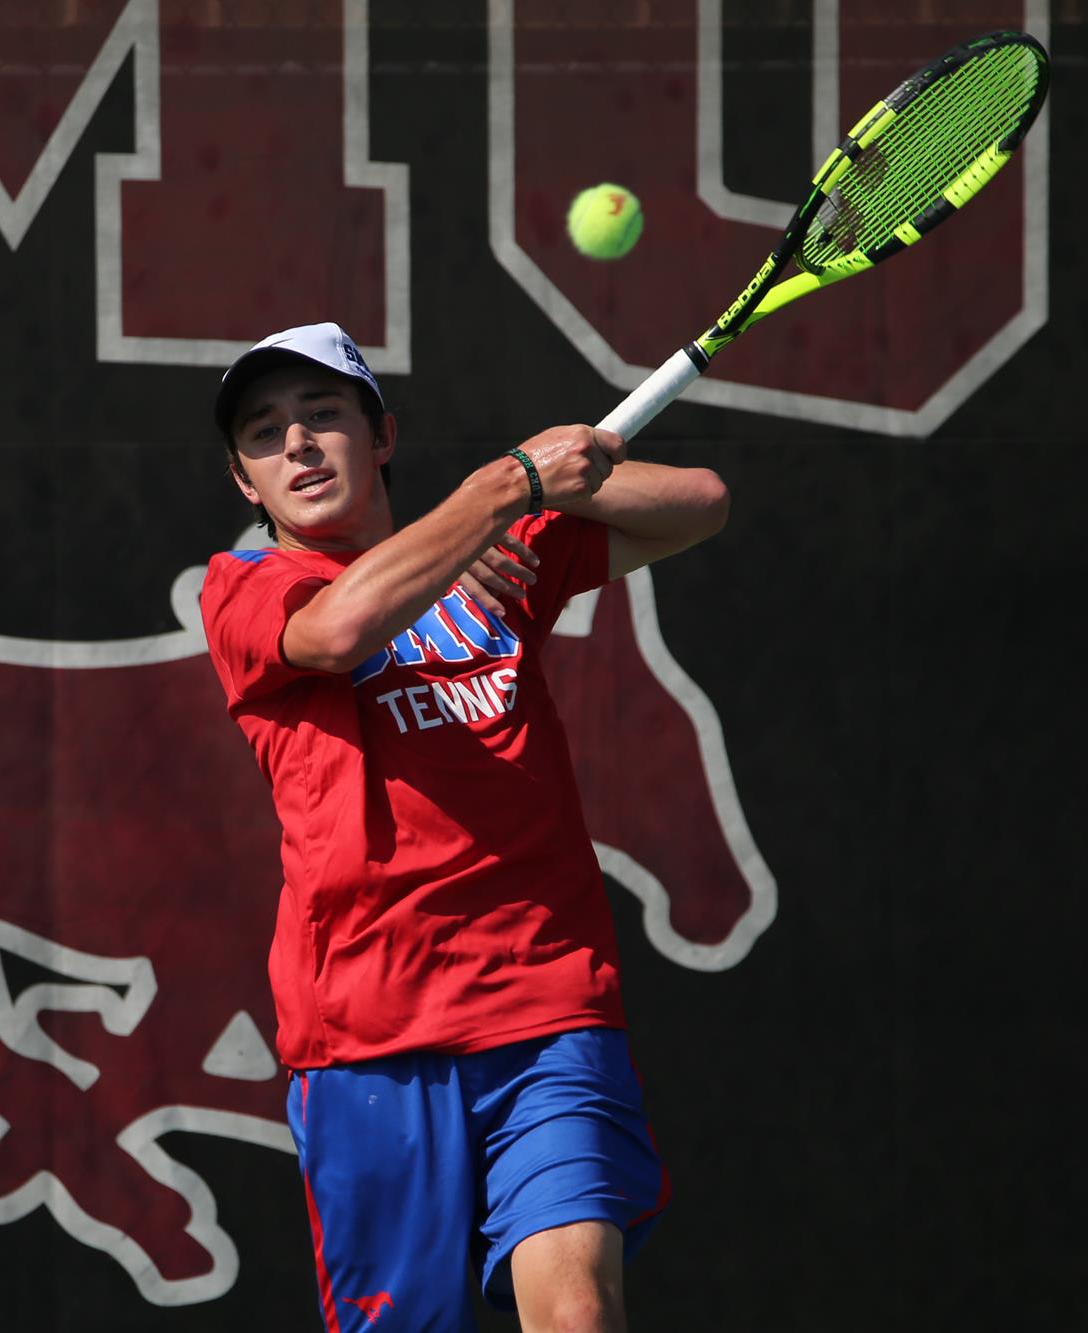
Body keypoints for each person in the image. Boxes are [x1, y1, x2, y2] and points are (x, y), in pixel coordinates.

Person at [198, 322, 728, 1333]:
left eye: (322, 416)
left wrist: (554, 484)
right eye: (265, 435)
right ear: (244, 483)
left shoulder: (497, 549)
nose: (299, 445)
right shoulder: (245, 591)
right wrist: (504, 486)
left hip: (545, 1003)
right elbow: (340, 629)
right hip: (367, 1035)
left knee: (576, 1311)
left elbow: (699, 504)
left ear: (380, 435)